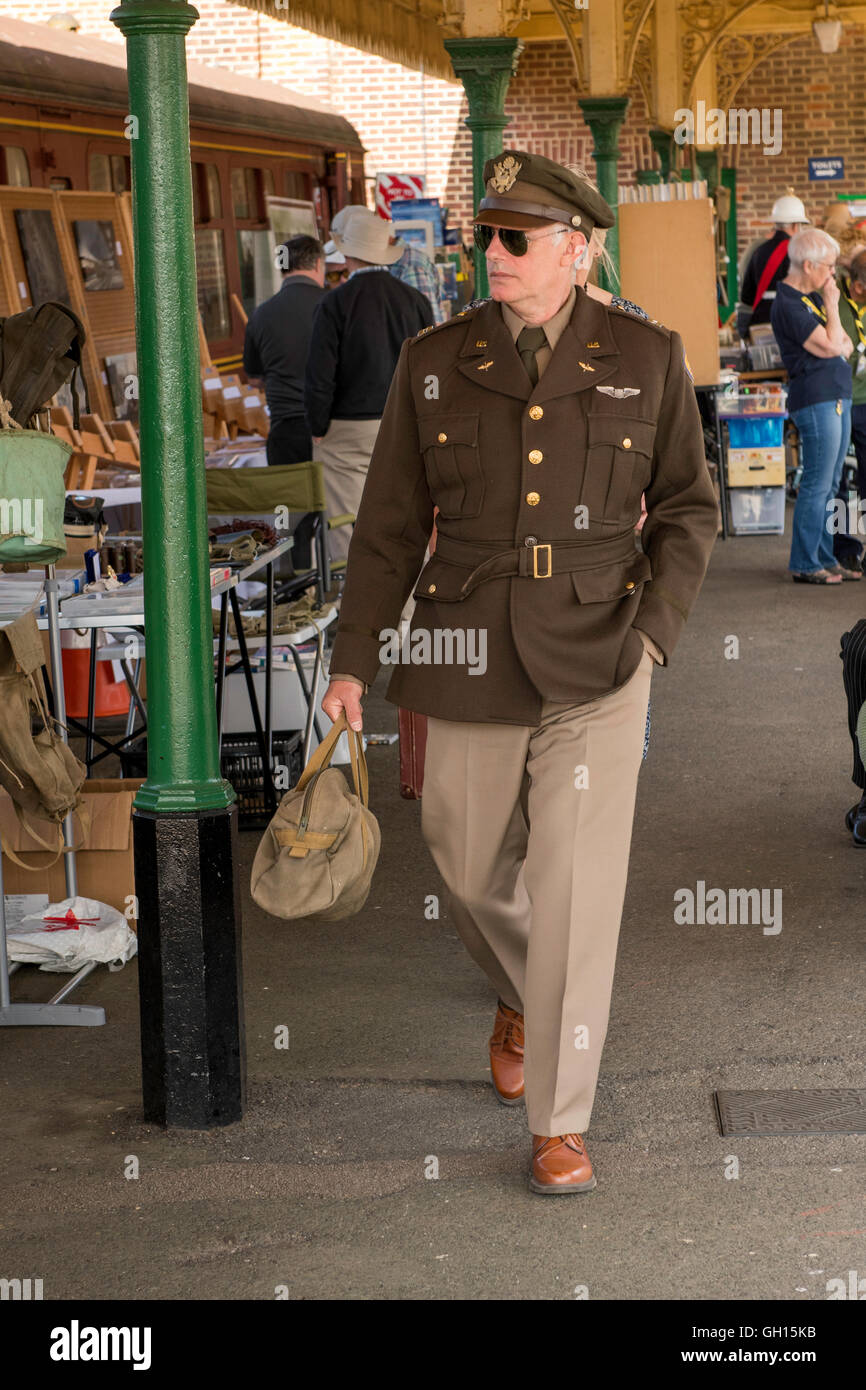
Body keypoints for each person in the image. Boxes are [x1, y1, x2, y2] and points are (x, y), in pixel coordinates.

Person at [322, 149, 718, 1195]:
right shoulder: (434, 360)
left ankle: (560, 1120)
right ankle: (522, 990)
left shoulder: (645, 353)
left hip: (599, 647)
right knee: (457, 858)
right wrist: (352, 658)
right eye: (483, 238)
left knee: (577, 891)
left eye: (513, 239)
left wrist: (654, 634)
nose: (489, 255)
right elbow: (390, 526)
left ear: (574, 251)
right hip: (464, 645)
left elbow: (687, 506)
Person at [305, 208, 433, 563]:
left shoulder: (333, 303)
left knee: (348, 522)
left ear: (347, 253)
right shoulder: (416, 300)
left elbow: (320, 375)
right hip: (405, 422)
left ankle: (357, 605)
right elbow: (431, 367)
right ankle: (407, 608)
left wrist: (317, 426)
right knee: (404, 516)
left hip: (347, 427)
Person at [771, 228, 855, 583]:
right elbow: (830, 347)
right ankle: (806, 562)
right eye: (829, 267)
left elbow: (845, 343)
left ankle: (823, 556)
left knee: (832, 481)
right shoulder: (789, 303)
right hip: (817, 399)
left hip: (835, 394)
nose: (832, 275)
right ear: (808, 265)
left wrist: (834, 330)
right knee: (818, 482)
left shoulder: (810, 299)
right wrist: (833, 307)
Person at [243, 234, 326, 466]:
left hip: (285, 431)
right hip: (332, 429)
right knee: (335, 501)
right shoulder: (335, 305)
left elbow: (254, 378)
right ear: (318, 263)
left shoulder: (261, 313)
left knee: (290, 500)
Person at [737, 189, 810, 340]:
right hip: (791, 323)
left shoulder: (758, 251)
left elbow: (746, 297)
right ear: (796, 225)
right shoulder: (799, 252)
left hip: (760, 325)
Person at [834, 249, 866, 573]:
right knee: (838, 480)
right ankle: (842, 547)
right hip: (840, 400)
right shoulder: (835, 302)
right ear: (857, 287)